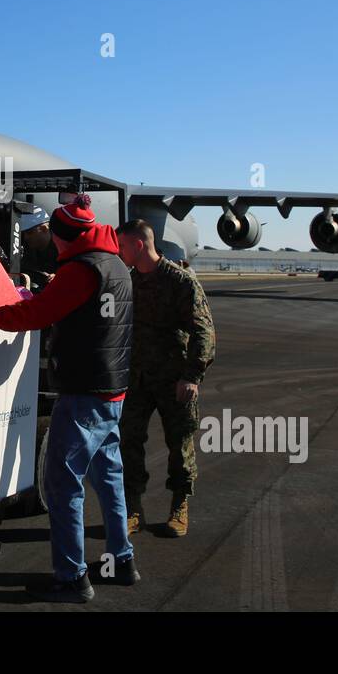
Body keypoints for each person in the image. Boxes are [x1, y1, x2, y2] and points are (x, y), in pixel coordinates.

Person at [0, 194, 136, 602]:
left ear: (63, 238)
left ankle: (71, 578)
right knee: (109, 478)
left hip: (84, 394)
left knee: (63, 486)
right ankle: (122, 559)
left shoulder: (80, 269)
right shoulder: (115, 263)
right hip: (114, 391)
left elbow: (35, 316)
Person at [115, 219, 215, 538]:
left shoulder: (180, 282)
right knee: (129, 442)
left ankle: (179, 506)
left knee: (180, 445)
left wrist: (191, 375)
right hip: (137, 378)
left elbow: (204, 332)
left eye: (122, 245)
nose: (119, 251)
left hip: (174, 379)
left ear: (139, 246)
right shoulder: (129, 282)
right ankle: (133, 508)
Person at [18, 205, 58, 294]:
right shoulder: (26, 248)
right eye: (23, 234)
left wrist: (60, 277)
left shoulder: (62, 248)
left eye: (29, 233)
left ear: (44, 229)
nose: (26, 238)